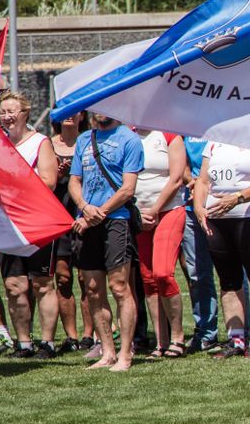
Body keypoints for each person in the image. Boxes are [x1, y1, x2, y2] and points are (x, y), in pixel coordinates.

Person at [69, 112, 144, 372]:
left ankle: (125, 353)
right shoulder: (83, 140)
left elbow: (127, 189)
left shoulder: (129, 139)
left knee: (120, 286)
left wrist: (96, 214)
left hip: (117, 220)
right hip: (88, 218)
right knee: (92, 289)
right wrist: (83, 206)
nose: (101, 111)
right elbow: (74, 181)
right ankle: (107, 352)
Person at [0, 93, 61, 358]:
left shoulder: (40, 142)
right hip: (8, 224)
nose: (7, 116)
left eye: (12, 111)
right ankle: (23, 343)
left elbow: (49, 181)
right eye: (3, 111)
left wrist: (15, 184)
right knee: (13, 285)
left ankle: (47, 343)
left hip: (37, 222)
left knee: (42, 283)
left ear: (25, 113)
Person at [193, 142, 250, 358]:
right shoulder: (213, 142)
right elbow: (203, 180)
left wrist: (237, 198)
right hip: (217, 219)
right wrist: (199, 207)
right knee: (228, 280)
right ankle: (235, 339)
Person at [130, 126, 187, 358]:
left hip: (168, 211)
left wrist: (154, 210)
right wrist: (137, 213)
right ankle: (161, 342)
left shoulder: (169, 133)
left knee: (163, 273)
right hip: (138, 214)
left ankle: (178, 337)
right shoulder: (126, 134)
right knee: (148, 279)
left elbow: (176, 179)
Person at [50, 111, 89, 353]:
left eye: (75, 110)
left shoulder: (89, 142)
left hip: (85, 216)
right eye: (64, 110)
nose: (69, 115)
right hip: (58, 217)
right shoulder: (47, 144)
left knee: (88, 279)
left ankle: (89, 334)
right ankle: (71, 336)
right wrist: (58, 175)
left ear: (82, 115)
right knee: (63, 278)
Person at [180, 134, 220, 352]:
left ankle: (242, 331)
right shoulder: (184, 126)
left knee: (232, 273)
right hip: (190, 207)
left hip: (222, 205)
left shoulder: (221, 123)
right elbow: (181, 161)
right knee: (197, 273)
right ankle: (206, 332)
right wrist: (191, 181)